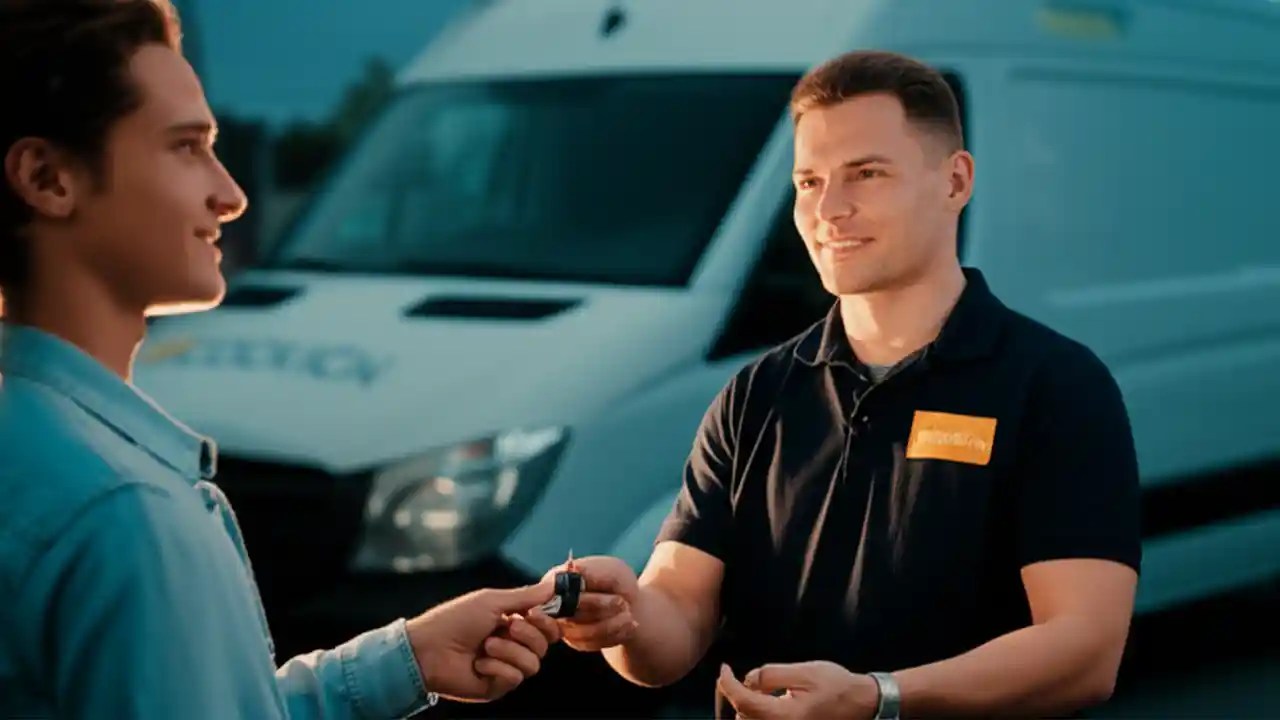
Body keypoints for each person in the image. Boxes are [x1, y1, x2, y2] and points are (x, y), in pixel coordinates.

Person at [0, 1, 559, 717]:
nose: (229, 195)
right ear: (48, 179)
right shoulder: (123, 514)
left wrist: (407, 660)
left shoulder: (35, 450)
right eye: (184, 146)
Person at [545, 50, 1142, 719]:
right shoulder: (756, 396)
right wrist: (624, 618)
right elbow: (676, 619)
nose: (829, 208)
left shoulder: (1055, 385)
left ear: (955, 181)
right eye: (808, 182)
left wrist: (877, 698)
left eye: (866, 173)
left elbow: (1085, 651)